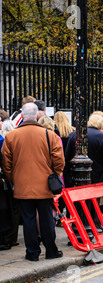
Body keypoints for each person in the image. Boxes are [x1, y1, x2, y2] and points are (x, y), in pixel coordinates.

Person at [1, 103, 64, 261]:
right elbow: (59, 161)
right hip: (45, 186)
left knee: (28, 219)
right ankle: (51, 250)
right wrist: (55, 175)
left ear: (22, 115)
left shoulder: (11, 136)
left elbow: (6, 164)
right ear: (37, 115)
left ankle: (32, 252)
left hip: (22, 186)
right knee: (46, 218)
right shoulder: (49, 135)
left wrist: (13, 178)